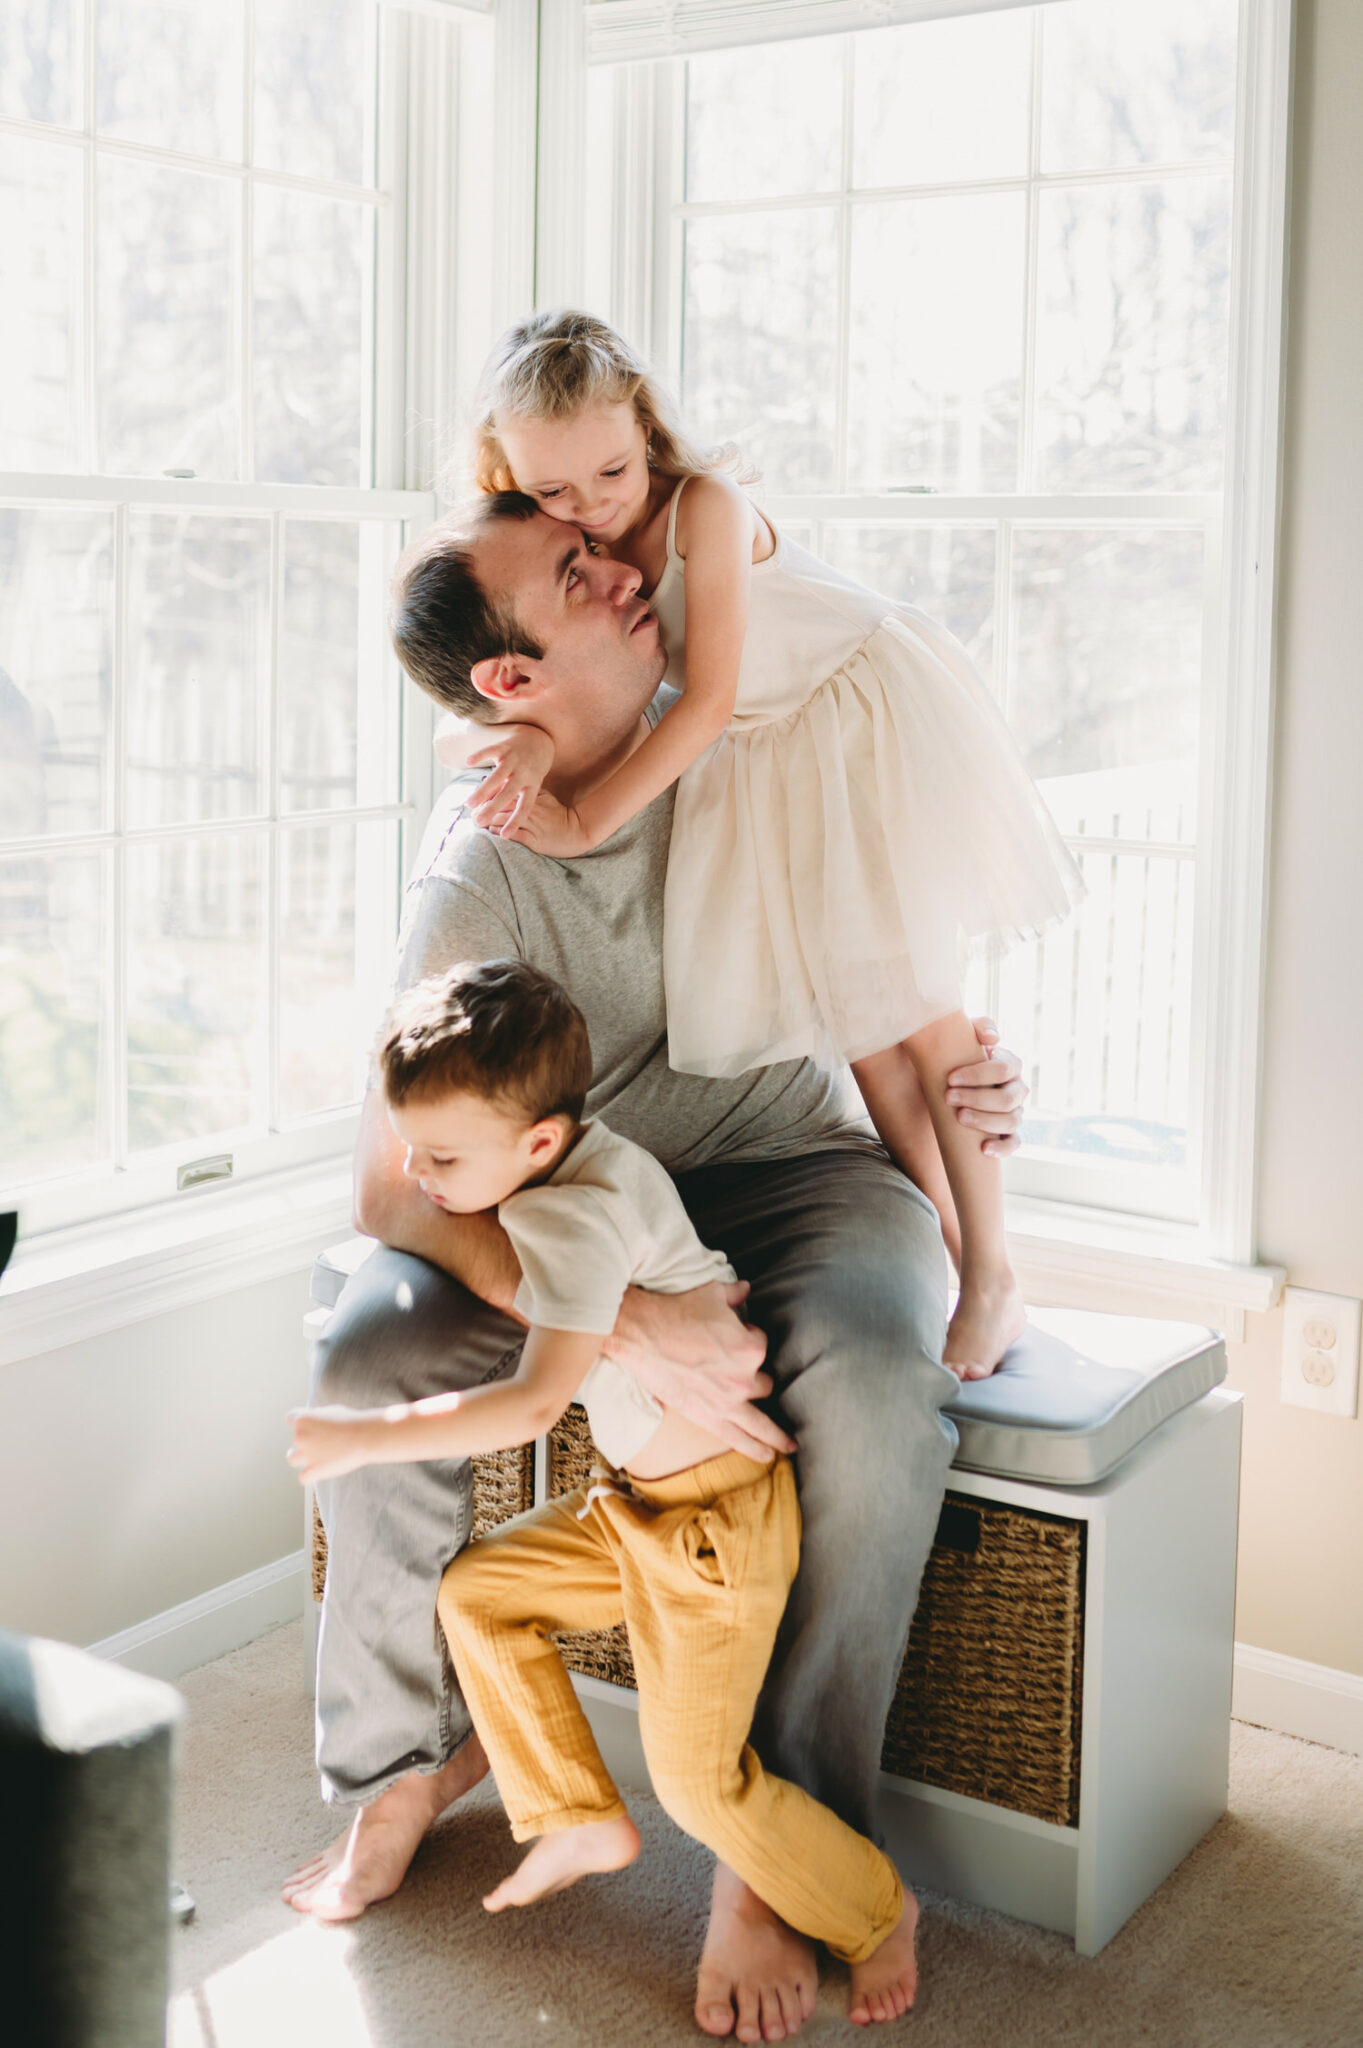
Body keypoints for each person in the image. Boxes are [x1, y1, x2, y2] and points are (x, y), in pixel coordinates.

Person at [283, 488, 1030, 2047]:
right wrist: (621, 1324)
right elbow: (388, 1185)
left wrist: (974, 1105)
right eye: (571, 575)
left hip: (796, 1166)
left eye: (599, 543)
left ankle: (774, 1851)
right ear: (508, 681)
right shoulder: (474, 867)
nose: (621, 571)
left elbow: (897, 990)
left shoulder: (746, 739)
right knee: (367, 1347)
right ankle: (402, 1760)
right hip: (585, 1200)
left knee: (879, 1385)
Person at [446, 309, 1082, 1381]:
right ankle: (953, 1242)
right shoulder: (580, 545)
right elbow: (510, 676)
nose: (592, 507)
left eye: (608, 470)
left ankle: (996, 1270)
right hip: (775, 760)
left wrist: (586, 816)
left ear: (643, 425)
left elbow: (708, 701)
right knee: (866, 1036)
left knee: (924, 1017)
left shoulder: (705, 505)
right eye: (553, 492)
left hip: (845, 725)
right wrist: (510, 738)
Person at [289, 958, 920, 2028]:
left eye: (441, 1155)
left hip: (709, 1535)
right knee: (480, 1593)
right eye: (410, 1144)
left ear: (536, 1142)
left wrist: (366, 1434)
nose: (417, 1172)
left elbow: (534, 1406)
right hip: (636, 1509)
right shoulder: (562, 1166)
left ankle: (877, 1911)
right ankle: (576, 1812)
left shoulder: (575, 1218)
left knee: (701, 1784)